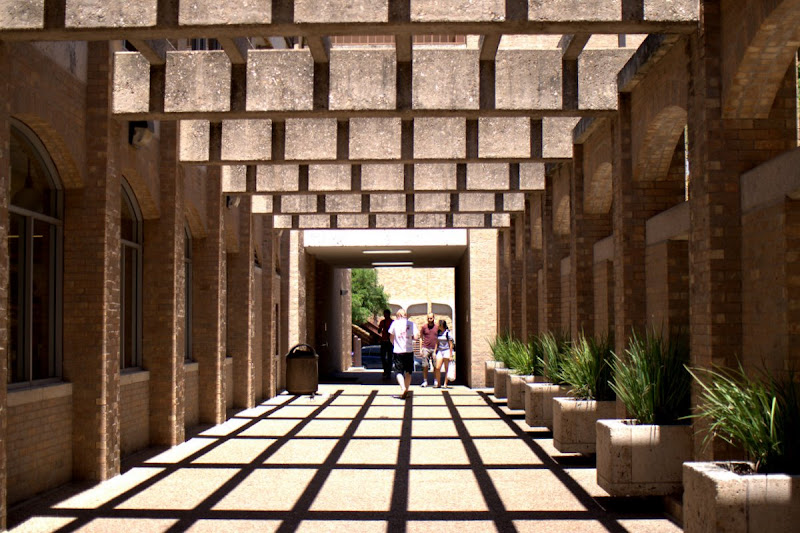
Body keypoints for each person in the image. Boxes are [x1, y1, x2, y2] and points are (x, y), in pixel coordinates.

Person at [388, 308, 419, 399]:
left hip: (398, 351)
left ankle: (403, 388)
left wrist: (394, 344)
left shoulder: (394, 323)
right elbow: (416, 337)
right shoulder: (412, 324)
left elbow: (391, 336)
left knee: (398, 371)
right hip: (409, 350)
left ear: (399, 315)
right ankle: (406, 389)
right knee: (408, 372)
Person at [419, 312, 438, 387]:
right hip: (425, 348)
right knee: (425, 365)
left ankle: (436, 380)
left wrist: (436, 350)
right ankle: (425, 381)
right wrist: (421, 349)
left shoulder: (437, 327)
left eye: (431, 318)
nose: (430, 320)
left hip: (434, 348)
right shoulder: (424, 327)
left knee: (435, 365)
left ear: (433, 318)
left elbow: (438, 339)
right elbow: (421, 337)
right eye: (428, 318)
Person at [434, 319, 455, 389]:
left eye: (438, 324)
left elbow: (451, 344)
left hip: (446, 350)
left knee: (446, 368)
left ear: (441, 325)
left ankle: (445, 383)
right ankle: (439, 383)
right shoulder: (438, 333)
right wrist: (434, 351)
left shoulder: (448, 333)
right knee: (437, 367)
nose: (437, 325)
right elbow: (437, 343)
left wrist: (450, 355)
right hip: (440, 351)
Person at [377, 309, 394, 381]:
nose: (385, 315)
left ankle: (388, 372)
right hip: (383, 341)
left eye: (386, 314)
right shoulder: (382, 322)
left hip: (390, 341)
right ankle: (385, 370)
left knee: (390, 357)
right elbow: (379, 331)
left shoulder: (392, 322)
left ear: (389, 314)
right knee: (383, 357)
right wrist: (380, 328)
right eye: (384, 314)